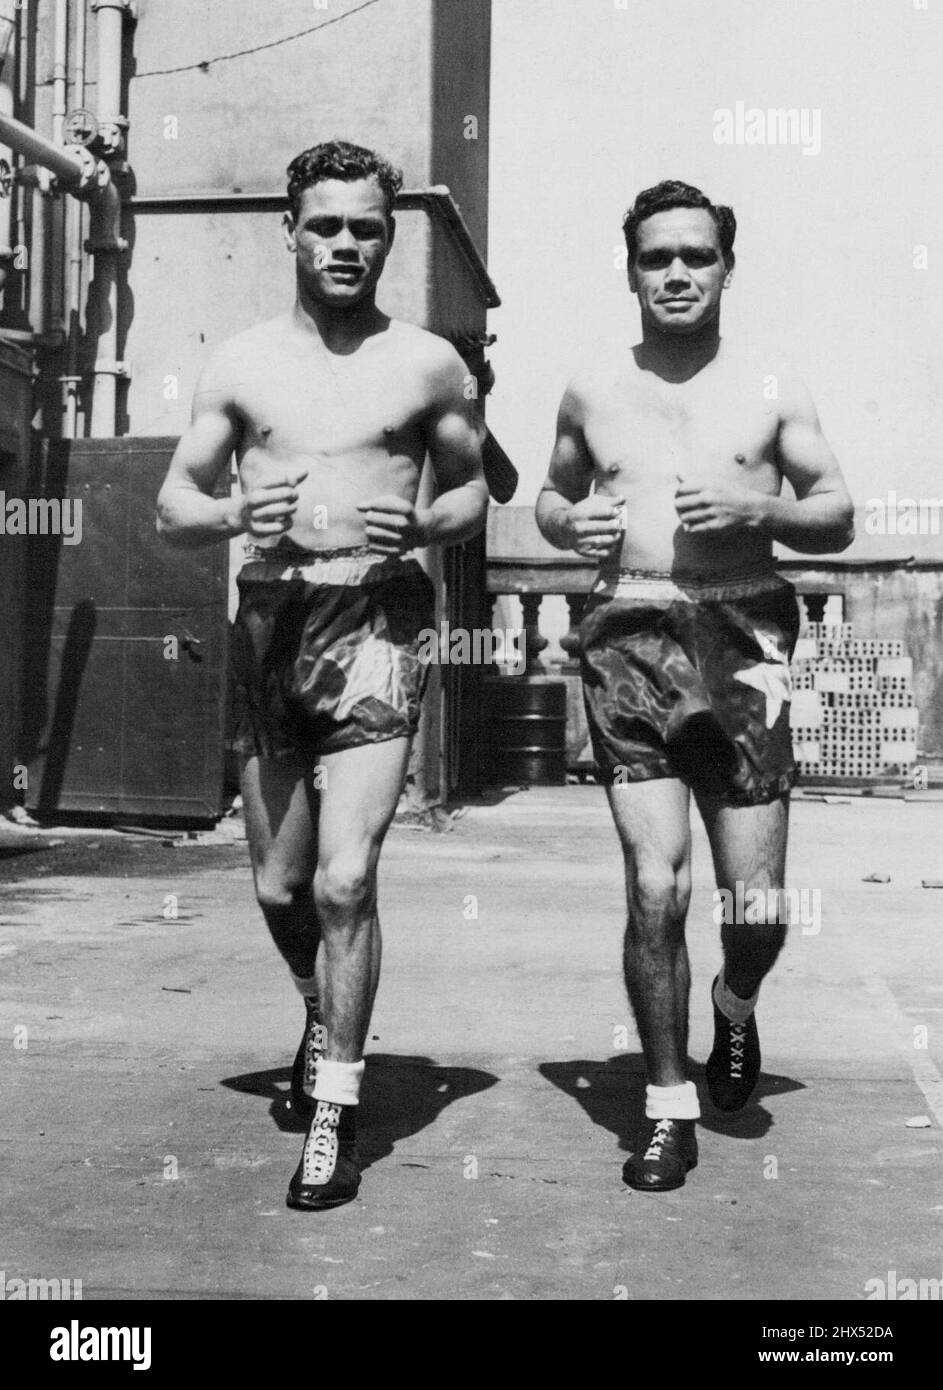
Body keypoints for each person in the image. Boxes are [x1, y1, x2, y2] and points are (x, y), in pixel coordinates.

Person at [156, 140, 487, 1210]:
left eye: (367, 227)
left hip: (381, 616)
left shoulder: (429, 361)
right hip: (271, 615)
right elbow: (173, 506)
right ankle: (315, 1004)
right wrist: (228, 514)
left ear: (389, 235)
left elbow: (474, 489)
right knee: (279, 885)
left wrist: (428, 520)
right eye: (327, 225)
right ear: (289, 230)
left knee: (348, 880)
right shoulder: (242, 362)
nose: (347, 244)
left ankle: (336, 1114)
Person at [535, 180, 853, 1191]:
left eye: (695, 256)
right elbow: (551, 489)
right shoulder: (590, 384)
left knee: (755, 910)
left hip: (743, 625)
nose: (675, 273)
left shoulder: (771, 385)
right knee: (653, 884)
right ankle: (665, 1107)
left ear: (725, 265)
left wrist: (754, 500)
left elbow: (837, 511)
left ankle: (734, 1006)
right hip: (627, 627)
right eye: (655, 257)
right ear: (629, 268)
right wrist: (561, 522)